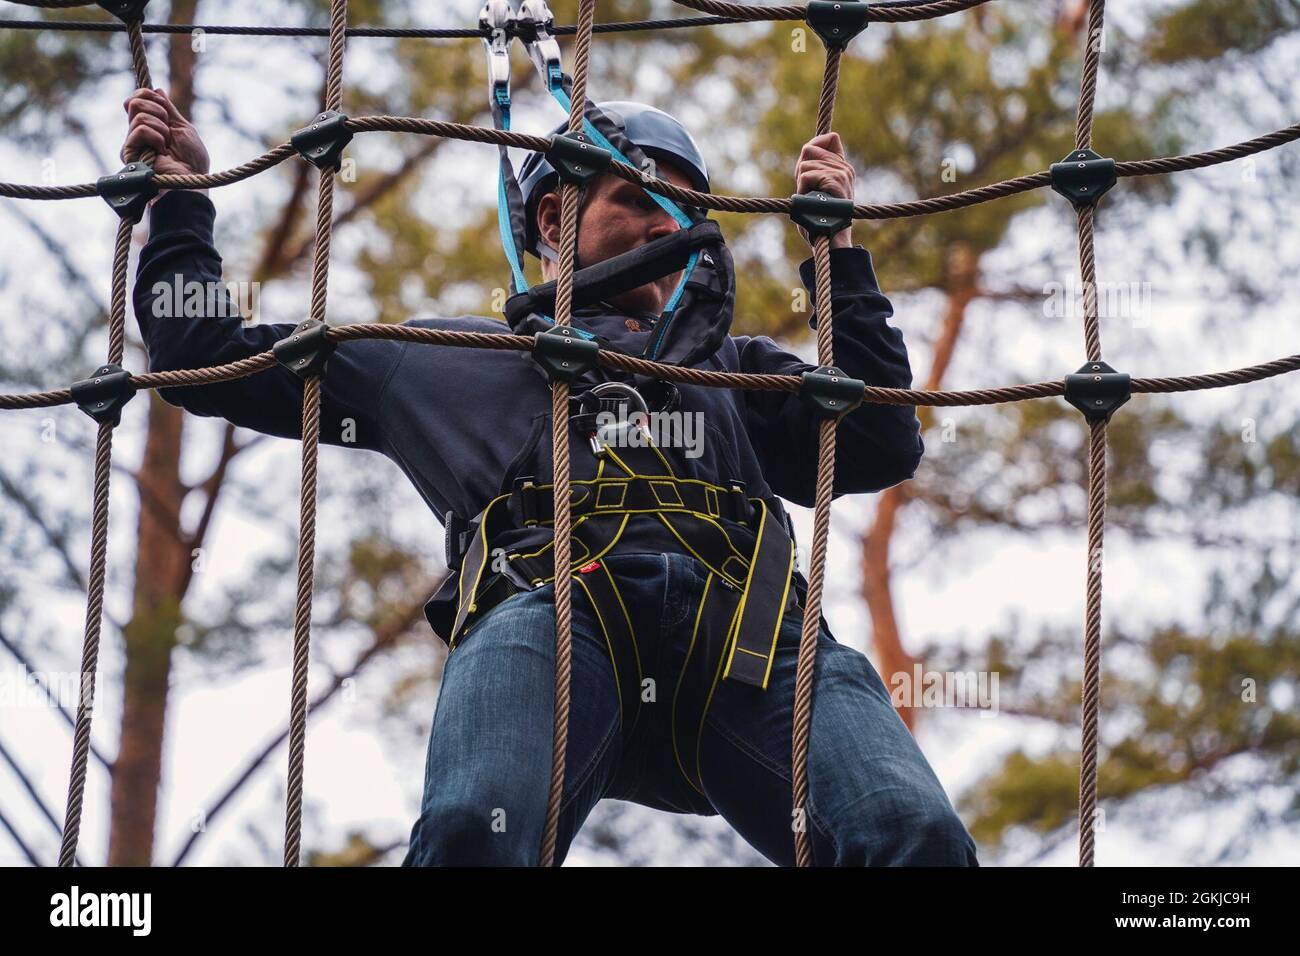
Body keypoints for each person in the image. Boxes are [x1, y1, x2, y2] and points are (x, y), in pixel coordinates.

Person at [122, 86, 979, 867]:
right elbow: (202, 356)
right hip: (552, 616)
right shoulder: (446, 363)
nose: (665, 227)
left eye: (680, 209)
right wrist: (182, 202)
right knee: (471, 831)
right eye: (637, 200)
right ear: (554, 220)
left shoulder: (733, 369)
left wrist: (837, 256)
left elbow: (877, 443)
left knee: (913, 833)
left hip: (746, 641)